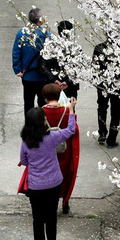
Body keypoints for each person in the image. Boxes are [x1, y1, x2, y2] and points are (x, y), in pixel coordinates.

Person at [19, 103, 77, 240]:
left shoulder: (26, 141)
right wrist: (71, 110)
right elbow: (71, 130)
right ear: (42, 122)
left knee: (37, 217)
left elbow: (23, 161)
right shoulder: (52, 137)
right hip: (53, 182)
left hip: (35, 184)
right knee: (51, 214)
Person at [42, 83, 80, 215]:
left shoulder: (40, 112)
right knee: (64, 172)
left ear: (44, 96)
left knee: (47, 172)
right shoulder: (66, 111)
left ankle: (48, 202)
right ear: (59, 95)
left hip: (46, 148)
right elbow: (73, 128)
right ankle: (65, 201)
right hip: (64, 148)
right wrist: (71, 109)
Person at [12, 7, 50, 117]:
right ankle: (42, 124)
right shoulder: (45, 34)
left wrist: (17, 69)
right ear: (40, 19)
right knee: (43, 103)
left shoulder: (22, 33)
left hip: (27, 74)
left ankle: (29, 126)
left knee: (28, 102)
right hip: (42, 76)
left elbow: (16, 52)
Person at [92, 37, 120, 148]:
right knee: (116, 112)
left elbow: (94, 66)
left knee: (102, 107)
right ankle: (111, 139)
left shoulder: (99, 48)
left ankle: (102, 131)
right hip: (118, 84)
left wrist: (97, 80)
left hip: (102, 83)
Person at [41, 19, 81, 102]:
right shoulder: (76, 48)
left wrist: (54, 80)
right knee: (70, 110)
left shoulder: (49, 46)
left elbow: (43, 66)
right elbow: (79, 68)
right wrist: (68, 82)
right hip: (69, 87)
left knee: (52, 110)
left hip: (52, 87)